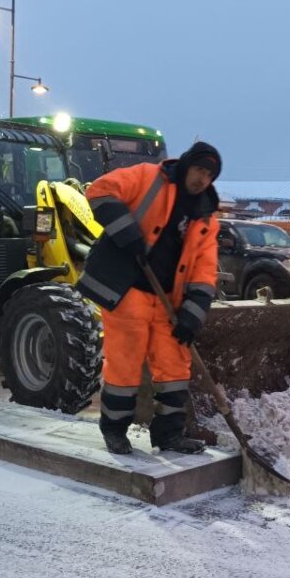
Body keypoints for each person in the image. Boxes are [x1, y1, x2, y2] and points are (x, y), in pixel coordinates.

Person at [77, 142, 222, 455]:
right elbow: (100, 191)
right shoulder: (148, 178)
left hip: (168, 300)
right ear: (186, 165)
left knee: (175, 368)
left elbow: (205, 271)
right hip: (129, 288)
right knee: (125, 366)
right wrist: (126, 232)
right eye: (199, 169)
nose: (202, 179)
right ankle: (115, 431)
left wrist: (191, 316)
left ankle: (170, 435)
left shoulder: (207, 218)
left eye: (209, 175)